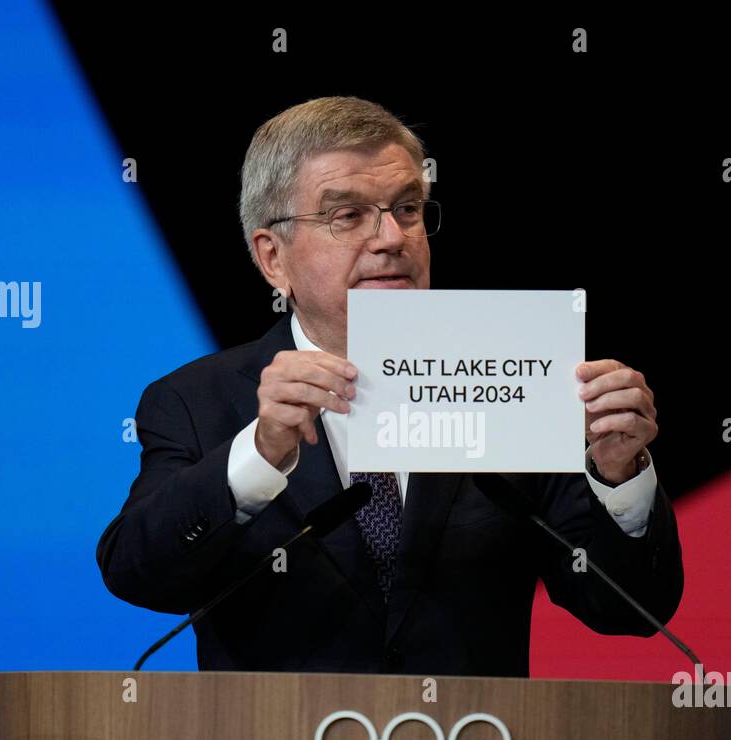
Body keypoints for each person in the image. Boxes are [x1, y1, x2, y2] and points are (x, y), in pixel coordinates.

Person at [96, 96, 684, 676]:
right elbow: (139, 573)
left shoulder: (508, 378)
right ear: (272, 258)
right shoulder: (196, 402)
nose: (391, 238)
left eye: (406, 208)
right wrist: (259, 452)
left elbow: (628, 608)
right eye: (347, 215)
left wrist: (618, 475)